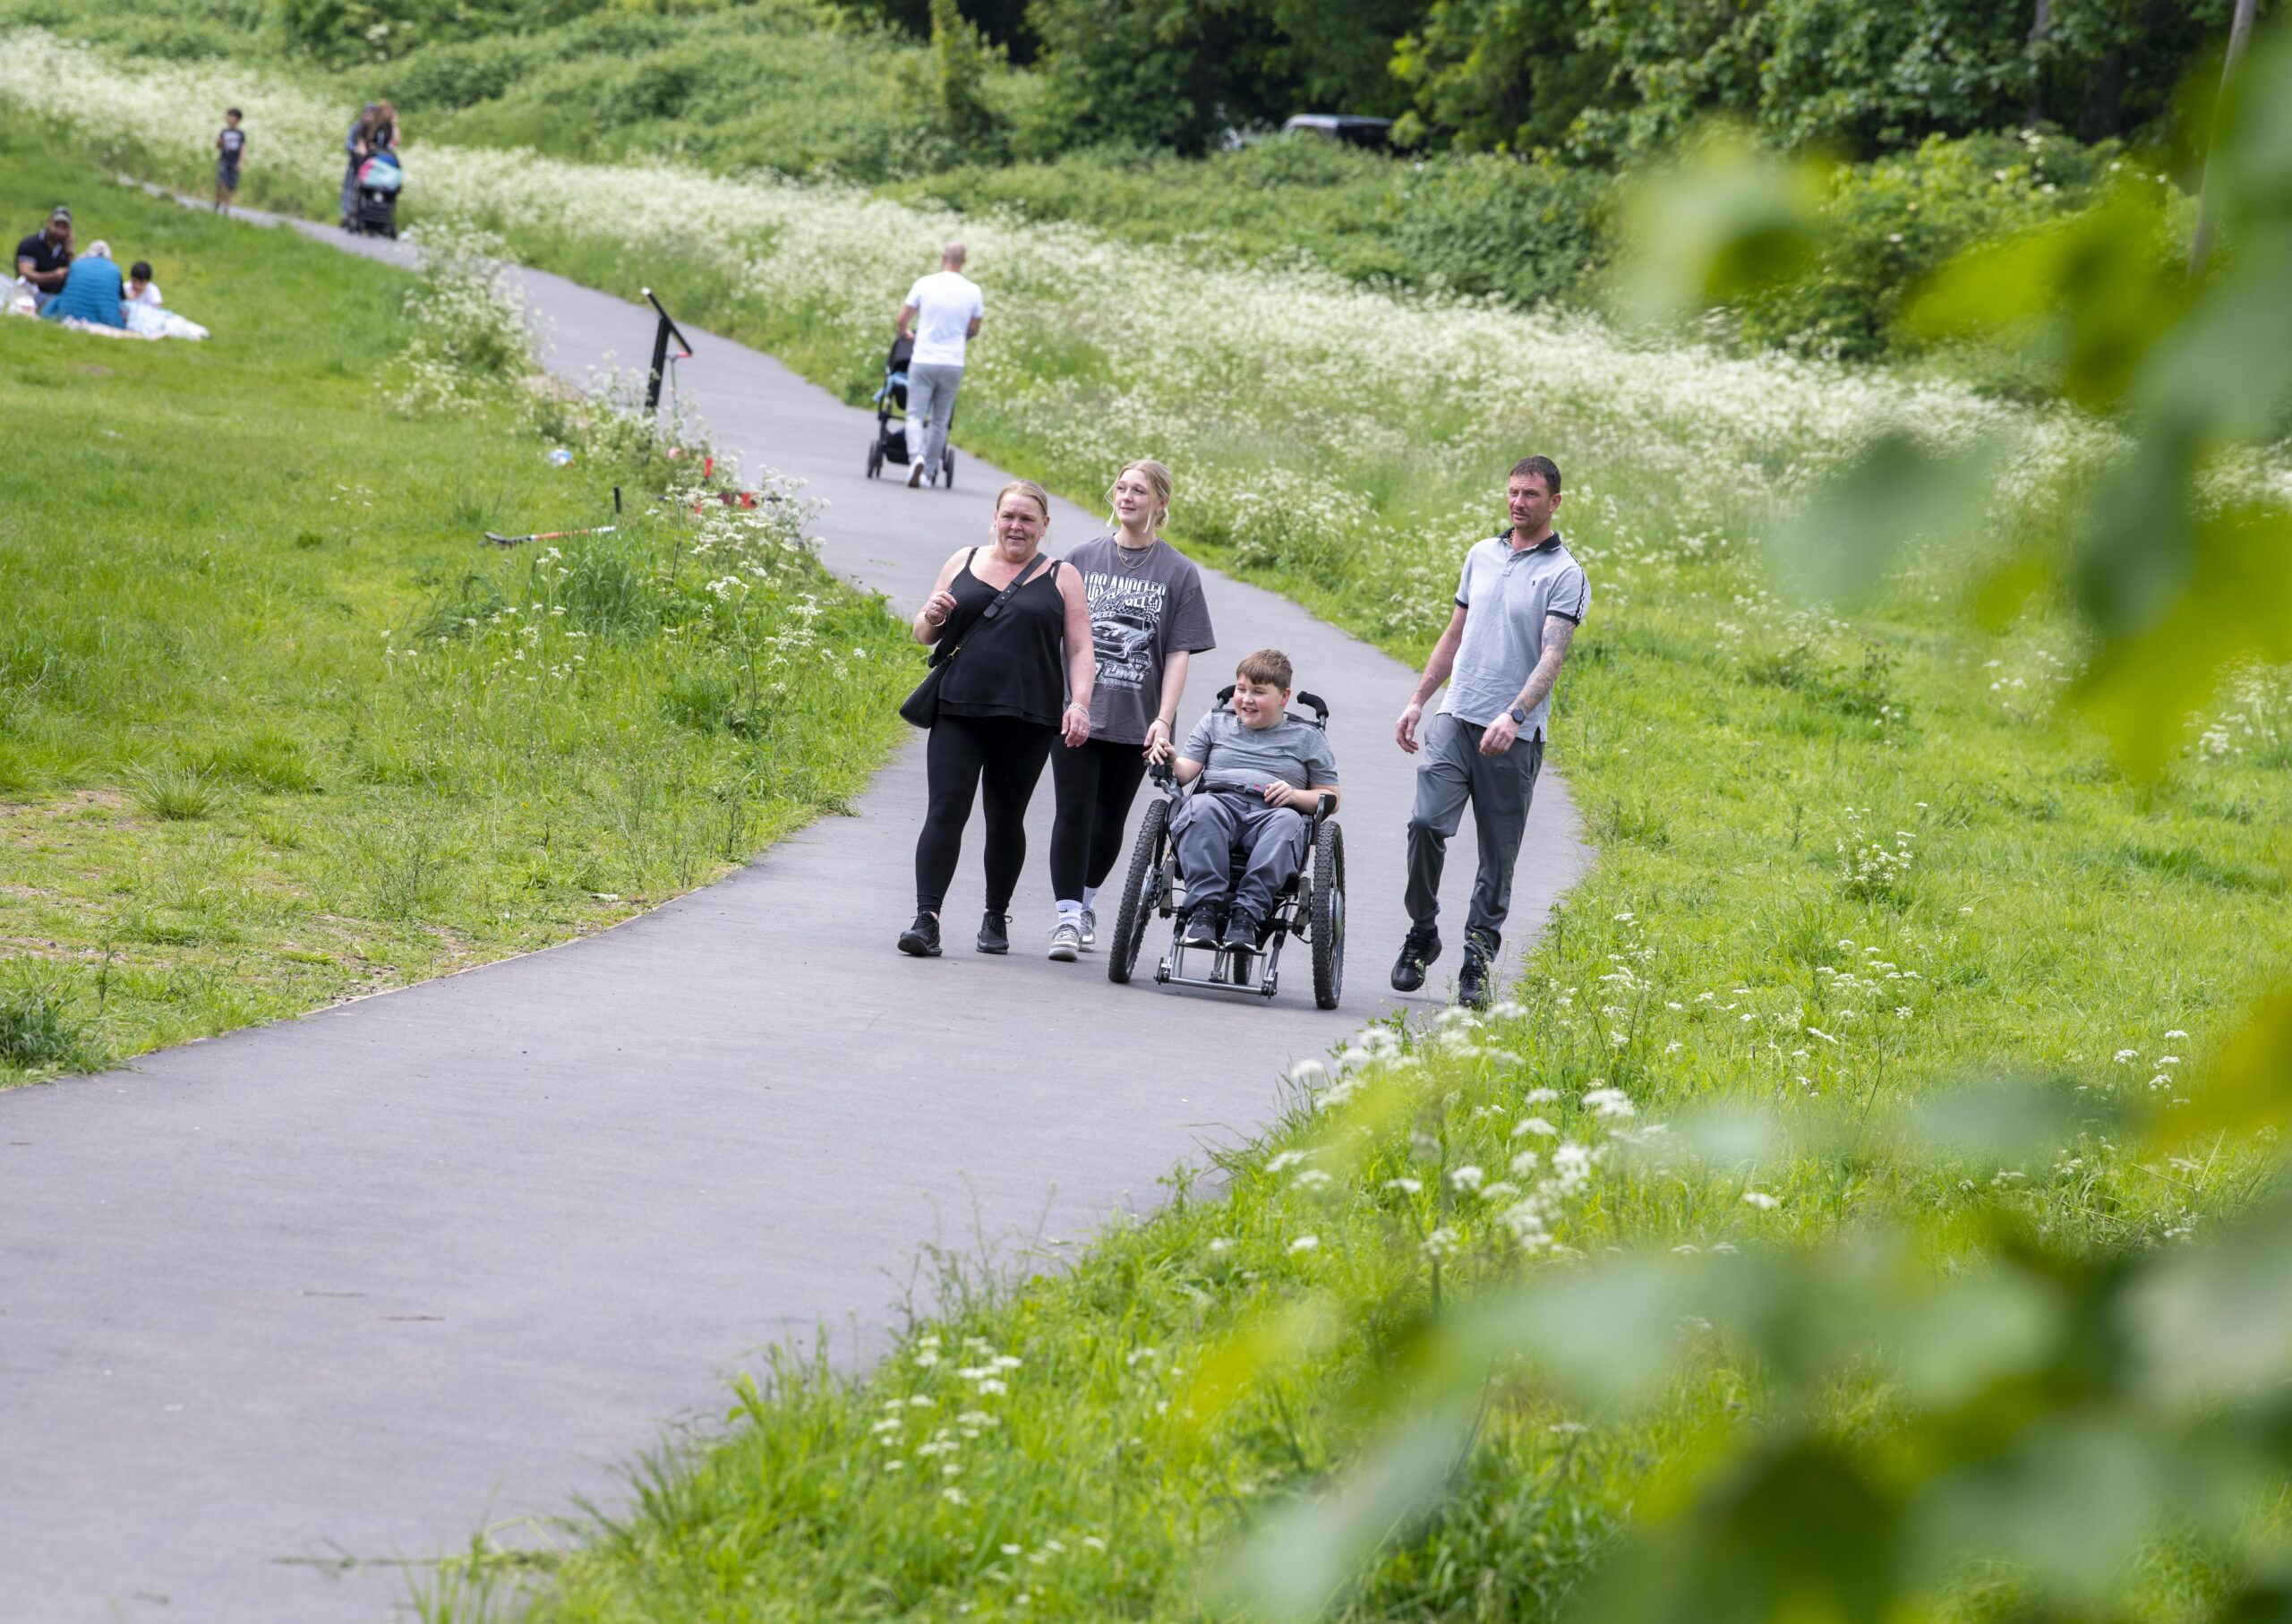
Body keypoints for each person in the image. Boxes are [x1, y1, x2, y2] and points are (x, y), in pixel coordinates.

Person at [1392, 455, 1590, 1008]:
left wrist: (1516, 714)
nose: (1517, 502)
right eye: (1512, 492)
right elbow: (1454, 635)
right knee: (1425, 823)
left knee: (1496, 859)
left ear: (1554, 502)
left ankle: (1475, 960)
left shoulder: (1565, 574)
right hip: (1456, 718)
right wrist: (1417, 700)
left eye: (1530, 494)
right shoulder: (1481, 555)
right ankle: (1422, 932)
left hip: (1513, 736)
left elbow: (1553, 656)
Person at [900, 480, 1095, 959]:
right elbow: (923, 633)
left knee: (1006, 819)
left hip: (1027, 718)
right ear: (994, 517)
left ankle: (995, 914)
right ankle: (927, 920)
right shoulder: (963, 561)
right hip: (958, 709)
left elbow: (1080, 647)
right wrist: (933, 613)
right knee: (946, 810)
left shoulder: (1062, 576)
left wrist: (1080, 704)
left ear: (1044, 526)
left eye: (1027, 519)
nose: (1016, 526)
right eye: (1009, 516)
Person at [1043, 458, 1215, 961]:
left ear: (1161, 502)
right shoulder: (1079, 559)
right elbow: (1055, 634)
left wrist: (1163, 719)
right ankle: (1068, 918)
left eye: (1139, 490)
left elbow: (1178, 652)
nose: (1127, 497)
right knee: (1073, 810)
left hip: (1137, 718)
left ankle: (1089, 900)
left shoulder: (1179, 573)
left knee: (1110, 820)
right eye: (1121, 488)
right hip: (1076, 710)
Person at [1171, 648, 1340, 953]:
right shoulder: (1215, 722)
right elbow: (1184, 773)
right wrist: (1170, 759)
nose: (1246, 699)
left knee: (1288, 823)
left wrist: (1296, 795)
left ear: (1284, 697)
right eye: (1241, 690)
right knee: (1200, 808)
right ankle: (1204, 911)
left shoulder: (1308, 736)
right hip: (1219, 803)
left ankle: (1246, 917)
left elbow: (1332, 798)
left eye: (1258, 692)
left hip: (1274, 813)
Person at [894, 243, 982, 489]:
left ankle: (915, 458)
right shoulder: (973, 291)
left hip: (923, 358)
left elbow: (902, 319)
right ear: (963, 261)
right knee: (940, 420)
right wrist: (957, 338)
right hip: (953, 362)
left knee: (914, 414)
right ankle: (928, 472)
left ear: (943, 258)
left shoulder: (925, 283)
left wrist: (906, 333)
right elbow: (973, 329)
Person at [40, 240, 124, 329]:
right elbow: (121, 298)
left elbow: (62, 290)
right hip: (106, 319)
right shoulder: (115, 270)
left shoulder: (76, 264)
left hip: (69, 314)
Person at [14, 206, 73, 311]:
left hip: (57, 297)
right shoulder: (31, 244)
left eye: (64, 227)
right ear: (49, 222)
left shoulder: (65, 249)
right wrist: (52, 276)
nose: (59, 231)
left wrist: (70, 253)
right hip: (32, 294)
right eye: (57, 225)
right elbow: (25, 273)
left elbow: (73, 275)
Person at [342, 104, 381, 228]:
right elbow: (349, 144)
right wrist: (356, 150)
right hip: (356, 163)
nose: (368, 115)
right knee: (349, 188)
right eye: (366, 113)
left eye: (371, 113)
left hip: (370, 167)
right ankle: (346, 214)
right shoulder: (357, 128)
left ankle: (369, 216)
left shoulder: (378, 131)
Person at [215, 108, 247, 213]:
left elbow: (243, 147)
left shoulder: (240, 134)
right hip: (224, 159)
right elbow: (218, 145)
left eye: (231, 117)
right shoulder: (224, 131)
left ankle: (227, 205)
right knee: (220, 180)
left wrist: (241, 161)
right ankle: (218, 200)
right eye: (228, 117)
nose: (228, 119)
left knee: (231, 184)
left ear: (237, 120)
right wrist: (219, 143)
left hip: (234, 161)